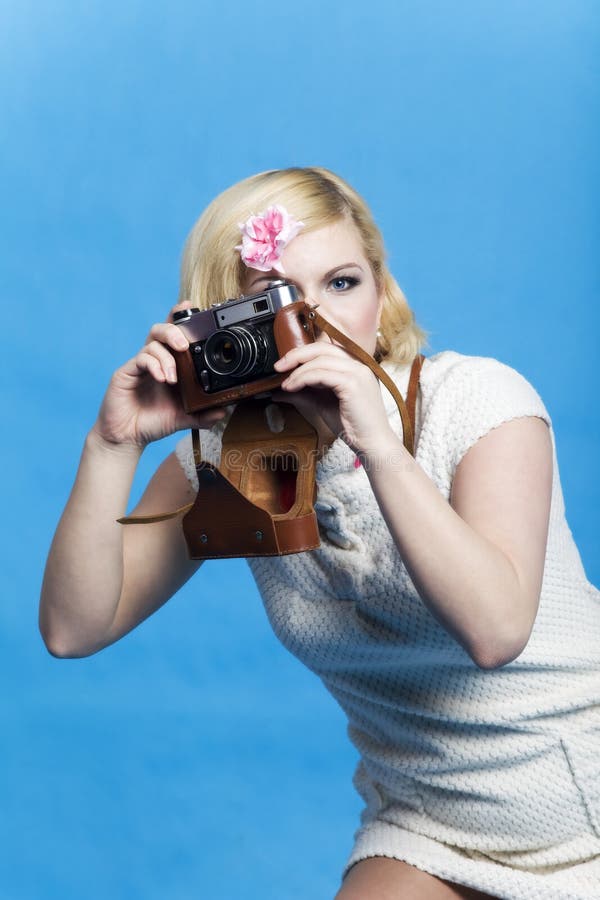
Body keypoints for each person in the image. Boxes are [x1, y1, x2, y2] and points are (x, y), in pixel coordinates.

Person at [40, 167, 600, 899]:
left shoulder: (475, 402)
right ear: (217, 326)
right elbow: (74, 629)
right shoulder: (244, 461)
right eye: (274, 300)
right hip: (432, 824)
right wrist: (111, 446)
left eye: (341, 283)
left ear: (381, 289)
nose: (317, 323)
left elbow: (495, 631)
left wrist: (378, 445)